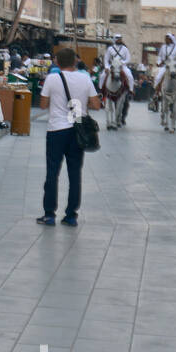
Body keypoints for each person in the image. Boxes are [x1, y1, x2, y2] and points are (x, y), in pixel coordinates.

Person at [36, 46, 100, 227]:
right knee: (74, 173)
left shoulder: (52, 78)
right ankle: (71, 214)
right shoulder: (85, 78)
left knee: (52, 172)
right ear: (75, 61)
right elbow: (96, 105)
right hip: (77, 130)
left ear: (56, 62)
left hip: (56, 129)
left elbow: (42, 105)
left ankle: (49, 214)